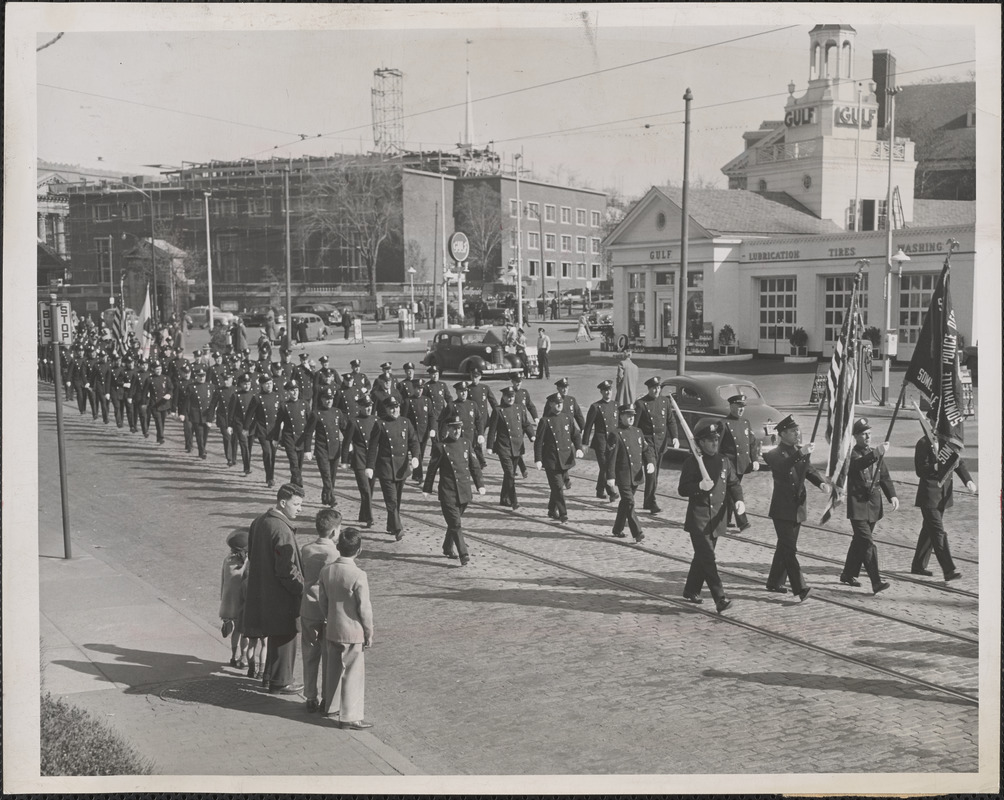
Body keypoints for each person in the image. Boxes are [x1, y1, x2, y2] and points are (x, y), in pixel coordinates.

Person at [244, 483, 305, 694]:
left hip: (262, 590)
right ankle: (282, 680)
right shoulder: (282, 529)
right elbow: (287, 570)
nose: (299, 509)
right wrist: (302, 589)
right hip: (280, 595)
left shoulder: (260, 521)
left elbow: (252, 553)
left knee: (275, 635)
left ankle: (269, 676)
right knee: (285, 635)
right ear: (282, 502)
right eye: (296, 504)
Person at [679, 420, 744, 613]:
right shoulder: (692, 463)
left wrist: (739, 500)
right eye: (710, 440)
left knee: (702, 557)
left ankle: (691, 589)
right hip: (699, 520)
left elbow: (733, 484)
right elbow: (682, 489)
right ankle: (720, 598)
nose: (715, 443)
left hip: (717, 519)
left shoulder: (724, 461)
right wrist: (699, 487)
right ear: (700, 443)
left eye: (716, 439)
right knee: (708, 558)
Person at [762, 415, 827, 601]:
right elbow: (783, 467)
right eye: (792, 431)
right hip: (782, 509)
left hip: (797, 507)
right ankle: (800, 588)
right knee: (790, 549)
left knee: (784, 546)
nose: (796, 433)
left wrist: (821, 484)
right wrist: (801, 453)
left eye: (797, 430)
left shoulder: (799, 451)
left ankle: (774, 581)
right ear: (782, 434)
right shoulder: (774, 454)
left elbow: (809, 470)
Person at [317, 527, 374, 729]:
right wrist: (369, 632)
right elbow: (364, 609)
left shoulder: (327, 570)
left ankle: (330, 706)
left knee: (332, 670)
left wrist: (329, 616)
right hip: (353, 631)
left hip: (333, 627)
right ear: (359, 550)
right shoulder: (358, 575)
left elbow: (321, 600)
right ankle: (350, 716)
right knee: (352, 674)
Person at [840, 418, 897, 595]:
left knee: (859, 541)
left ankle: (848, 573)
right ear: (856, 436)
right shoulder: (852, 455)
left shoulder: (874, 452)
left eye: (869, 434)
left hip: (873, 506)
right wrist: (877, 453)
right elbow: (858, 465)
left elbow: (884, 476)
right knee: (867, 543)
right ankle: (876, 582)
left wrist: (892, 495)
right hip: (858, 507)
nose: (867, 437)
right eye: (864, 434)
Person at [911, 431, 976, 580]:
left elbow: (957, 462)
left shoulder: (947, 442)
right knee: (938, 531)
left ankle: (918, 565)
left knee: (929, 529)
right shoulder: (923, 443)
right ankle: (948, 570)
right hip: (929, 495)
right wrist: (935, 466)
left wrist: (968, 480)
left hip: (942, 495)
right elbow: (920, 470)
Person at [423, 412, 486, 564]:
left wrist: (480, 485)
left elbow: (474, 466)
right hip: (448, 493)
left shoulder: (466, 443)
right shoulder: (441, 447)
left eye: (459, 428)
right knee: (456, 524)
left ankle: (446, 546)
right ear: (448, 429)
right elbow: (432, 469)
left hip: (464, 492)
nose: (457, 431)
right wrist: (427, 488)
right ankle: (463, 554)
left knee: (453, 523)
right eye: (453, 428)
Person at [299, 508, 342, 714]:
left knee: (309, 652)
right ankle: (327, 697)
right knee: (328, 655)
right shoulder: (335, 554)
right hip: (327, 610)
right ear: (334, 532)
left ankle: (309, 695)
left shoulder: (306, 549)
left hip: (308, 607)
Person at [366, 397, 420, 542]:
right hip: (386, 468)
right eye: (391, 408)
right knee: (392, 500)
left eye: (396, 407)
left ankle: (391, 525)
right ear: (386, 409)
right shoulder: (380, 424)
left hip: (401, 467)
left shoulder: (405, 422)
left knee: (398, 500)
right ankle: (398, 528)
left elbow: (414, 441)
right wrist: (370, 466)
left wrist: (415, 456)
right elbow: (372, 447)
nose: (394, 410)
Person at [605, 404, 656, 542]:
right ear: (621, 417)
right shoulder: (615, 434)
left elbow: (646, 450)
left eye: (633, 416)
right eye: (628, 416)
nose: (631, 418)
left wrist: (650, 462)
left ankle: (617, 529)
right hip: (623, 476)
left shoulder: (638, 432)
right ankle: (637, 532)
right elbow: (610, 457)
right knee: (630, 502)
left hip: (636, 474)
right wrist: (610, 476)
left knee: (625, 504)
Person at [534, 393, 583, 523]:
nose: (559, 405)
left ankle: (551, 509)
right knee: (558, 487)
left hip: (565, 458)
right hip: (551, 461)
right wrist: (538, 459)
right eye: (556, 403)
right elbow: (538, 442)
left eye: (560, 402)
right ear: (551, 404)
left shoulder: (567, 418)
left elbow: (575, 435)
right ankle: (563, 513)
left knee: (557, 487)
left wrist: (578, 448)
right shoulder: (545, 421)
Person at [634, 377, 680, 515]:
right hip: (648, 444)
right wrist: (640, 443)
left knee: (655, 475)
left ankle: (647, 500)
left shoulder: (665, 402)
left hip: (660, 444)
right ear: (649, 389)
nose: (656, 390)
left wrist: (675, 437)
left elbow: (670, 421)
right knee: (651, 473)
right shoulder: (641, 404)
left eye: (659, 388)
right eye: (654, 388)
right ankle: (650, 501)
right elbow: (635, 427)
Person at [485, 386, 536, 511]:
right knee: (509, 473)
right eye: (508, 396)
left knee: (509, 474)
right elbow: (492, 430)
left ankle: (504, 498)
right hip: (503, 447)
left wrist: (532, 435)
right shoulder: (498, 410)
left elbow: (525, 423)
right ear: (503, 397)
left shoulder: (519, 408)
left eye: (512, 396)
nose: (510, 399)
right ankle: (514, 500)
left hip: (517, 446)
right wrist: (490, 446)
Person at [719, 394, 761, 530]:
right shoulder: (723, 423)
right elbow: (717, 446)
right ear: (731, 406)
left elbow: (752, 443)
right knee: (735, 491)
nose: (741, 409)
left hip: (741, 464)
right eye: (738, 406)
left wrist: (755, 459)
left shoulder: (745, 423)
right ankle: (742, 522)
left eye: (743, 407)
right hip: (728, 465)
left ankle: (725, 520)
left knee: (730, 494)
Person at [304, 387, 352, 507]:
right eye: (326, 399)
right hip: (322, 449)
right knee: (326, 475)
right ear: (321, 399)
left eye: (330, 399)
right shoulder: (316, 414)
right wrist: (307, 449)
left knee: (332, 476)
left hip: (335, 449)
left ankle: (326, 496)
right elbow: (309, 432)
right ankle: (332, 498)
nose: (329, 401)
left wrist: (349, 442)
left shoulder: (337, 412)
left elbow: (344, 429)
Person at [244, 374, 284, 488]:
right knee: (267, 452)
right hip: (262, 429)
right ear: (262, 385)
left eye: (270, 383)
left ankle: (270, 474)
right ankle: (269, 477)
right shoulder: (257, 398)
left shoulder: (278, 396)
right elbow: (249, 414)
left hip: (275, 430)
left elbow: (283, 412)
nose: (269, 386)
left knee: (273, 454)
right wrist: (246, 428)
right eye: (266, 384)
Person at [583, 380, 620, 502]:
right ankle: (612, 492)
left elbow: (619, 424)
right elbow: (588, 426)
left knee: (607, 466)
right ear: (601, 392)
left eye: (609, 390)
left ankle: (599, 490)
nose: (608, 392)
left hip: (612, 441)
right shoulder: (596, 407)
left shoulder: (616, 405)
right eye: (605, 390)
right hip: (601, 440)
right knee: (605, 466)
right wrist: (585, 443)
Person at [347, 394, 379, 528]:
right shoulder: (354, 421)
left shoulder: (376, 420)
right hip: (359, 460)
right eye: (365, 406)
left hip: (372, 460)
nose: (368, 409)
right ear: (359, 407)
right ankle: (370, 518)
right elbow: (347, 442)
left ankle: (362, 515)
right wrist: (346, 459)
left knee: (370, 490)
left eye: (370, 406)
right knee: (365, 490)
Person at [219, 529, 249, 669]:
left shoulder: (227, 560)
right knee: (243, 631)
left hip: (228, 602)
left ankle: (233, 656)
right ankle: (243, 657)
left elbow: (223, 581)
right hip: (242, 602)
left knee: (236, 631)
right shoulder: (246, 562)